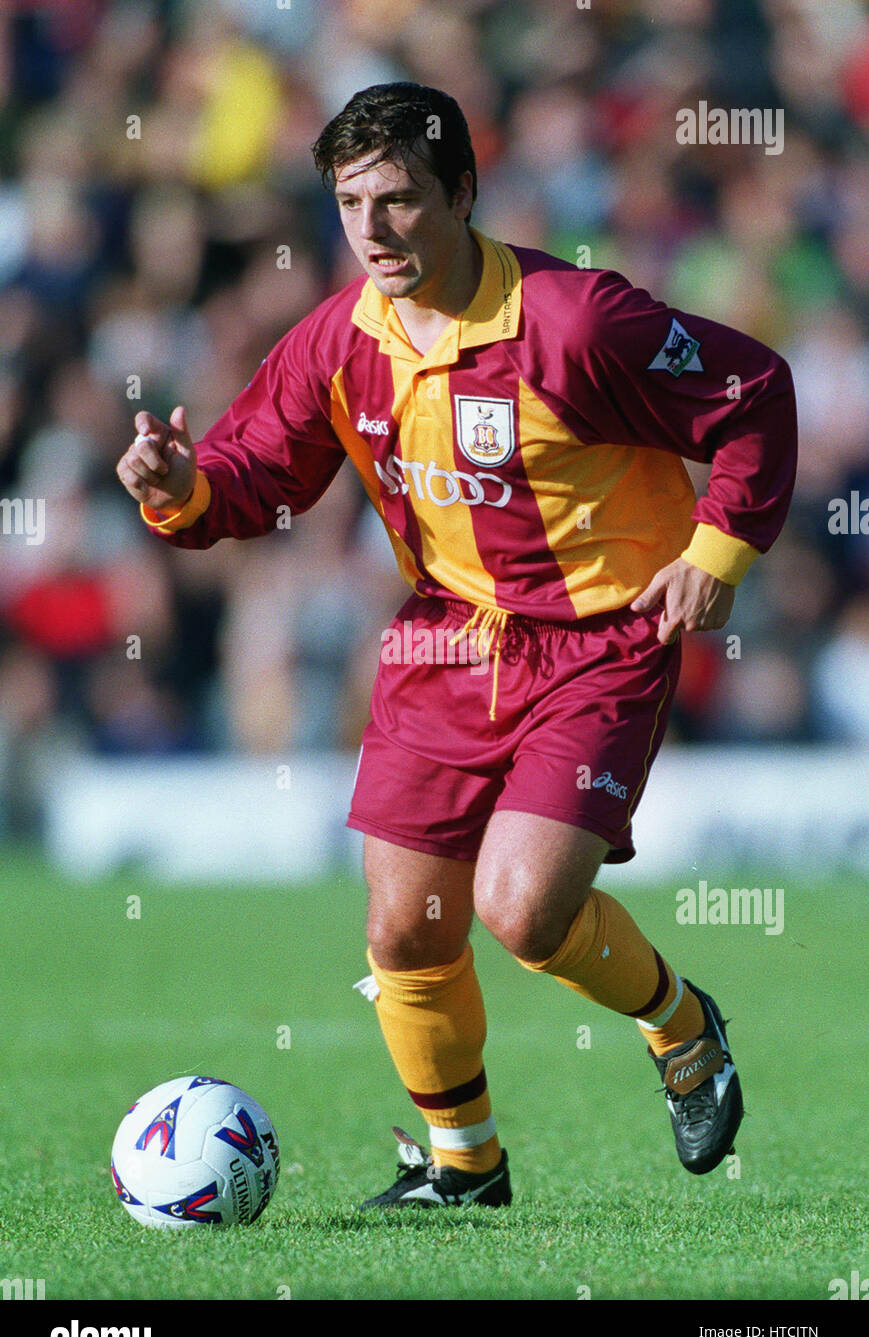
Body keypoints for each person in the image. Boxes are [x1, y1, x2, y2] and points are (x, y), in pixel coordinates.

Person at [116, 83, 797, 1209]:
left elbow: (752, 390)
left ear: (463, 194)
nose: (372, 232)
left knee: (521, 910)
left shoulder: (574, 322)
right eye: (348, 203)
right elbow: (252, 475)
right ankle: (464, 1167)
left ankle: (679, 1026)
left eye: (399, 200)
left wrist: (715, 556)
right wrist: (180, 487)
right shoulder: (338, 340)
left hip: (597, 641)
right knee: (402, 927)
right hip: (442, 643)